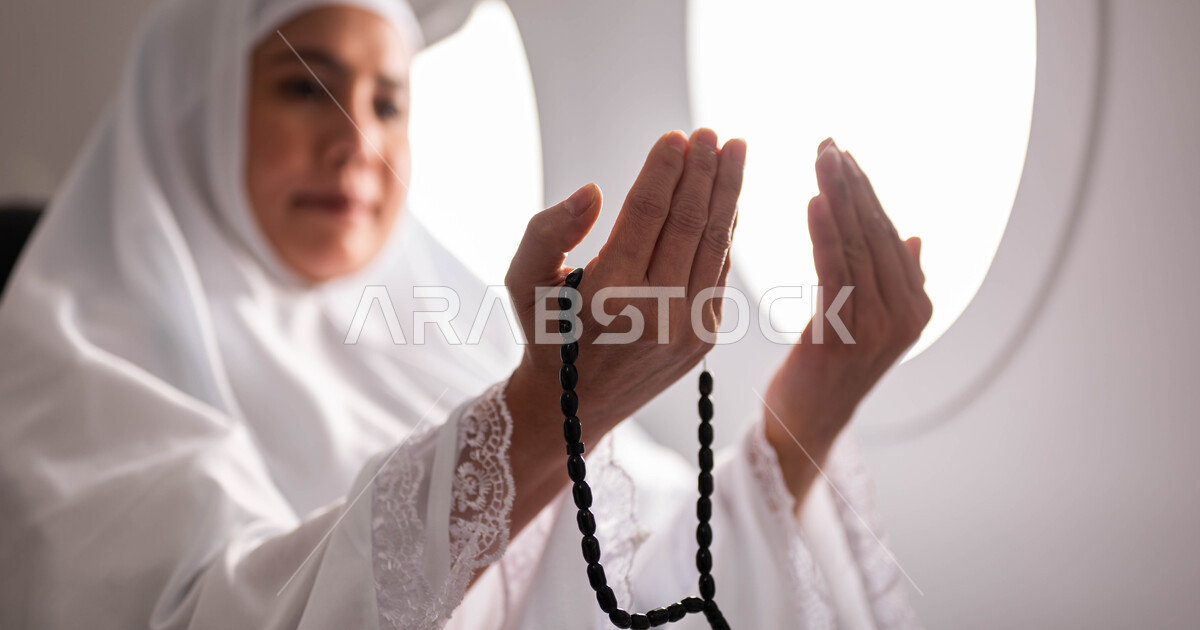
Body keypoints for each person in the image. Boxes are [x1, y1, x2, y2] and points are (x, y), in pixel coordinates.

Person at [0, 0, 932, 627]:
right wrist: (542, 418)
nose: (357, 142)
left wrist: (809, 408)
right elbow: (204, 612)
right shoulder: (82, 361)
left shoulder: (455, 332)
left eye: (387, 102)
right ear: (192, 109)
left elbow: (650, 572)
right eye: (304, 87)